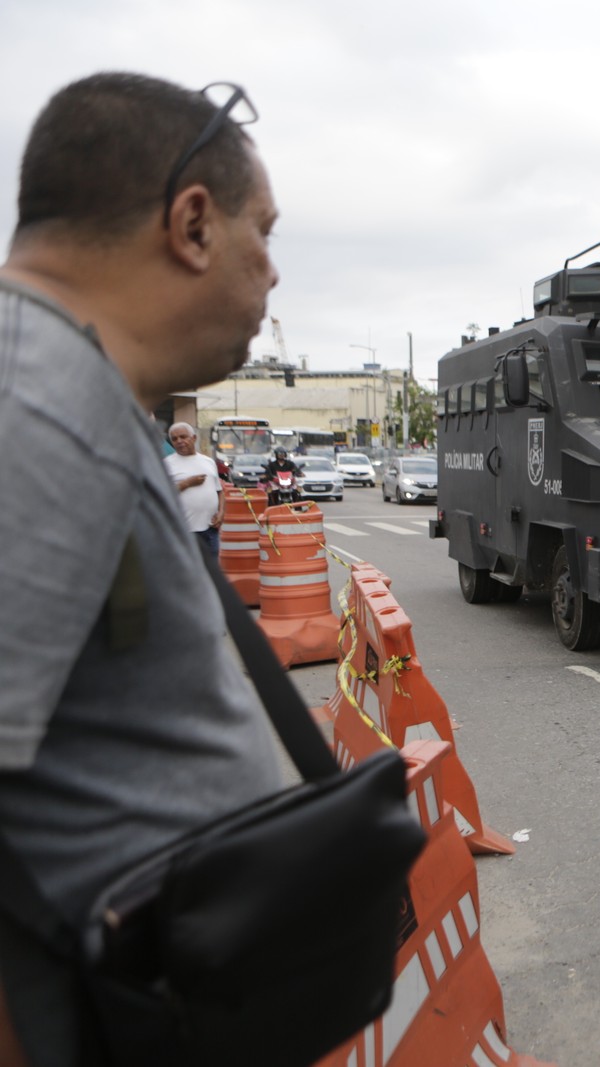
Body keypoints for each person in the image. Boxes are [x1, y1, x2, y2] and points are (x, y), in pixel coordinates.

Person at [0, 73, 283, 1063]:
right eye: (266, 231)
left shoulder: (63, 383)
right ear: (193, 223)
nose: (274, 272)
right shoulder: (36, 405)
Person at [164, 421, 225, 555]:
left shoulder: (208, 462)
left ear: (194, 438)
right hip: (184, 531)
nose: (179, 441)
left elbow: (219, 491)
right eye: (174, 439)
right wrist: (186, 483)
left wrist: (221, 513)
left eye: (183, 437)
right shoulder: (166, 464)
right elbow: (163, 494)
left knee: (211, 572)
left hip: (210, 529)